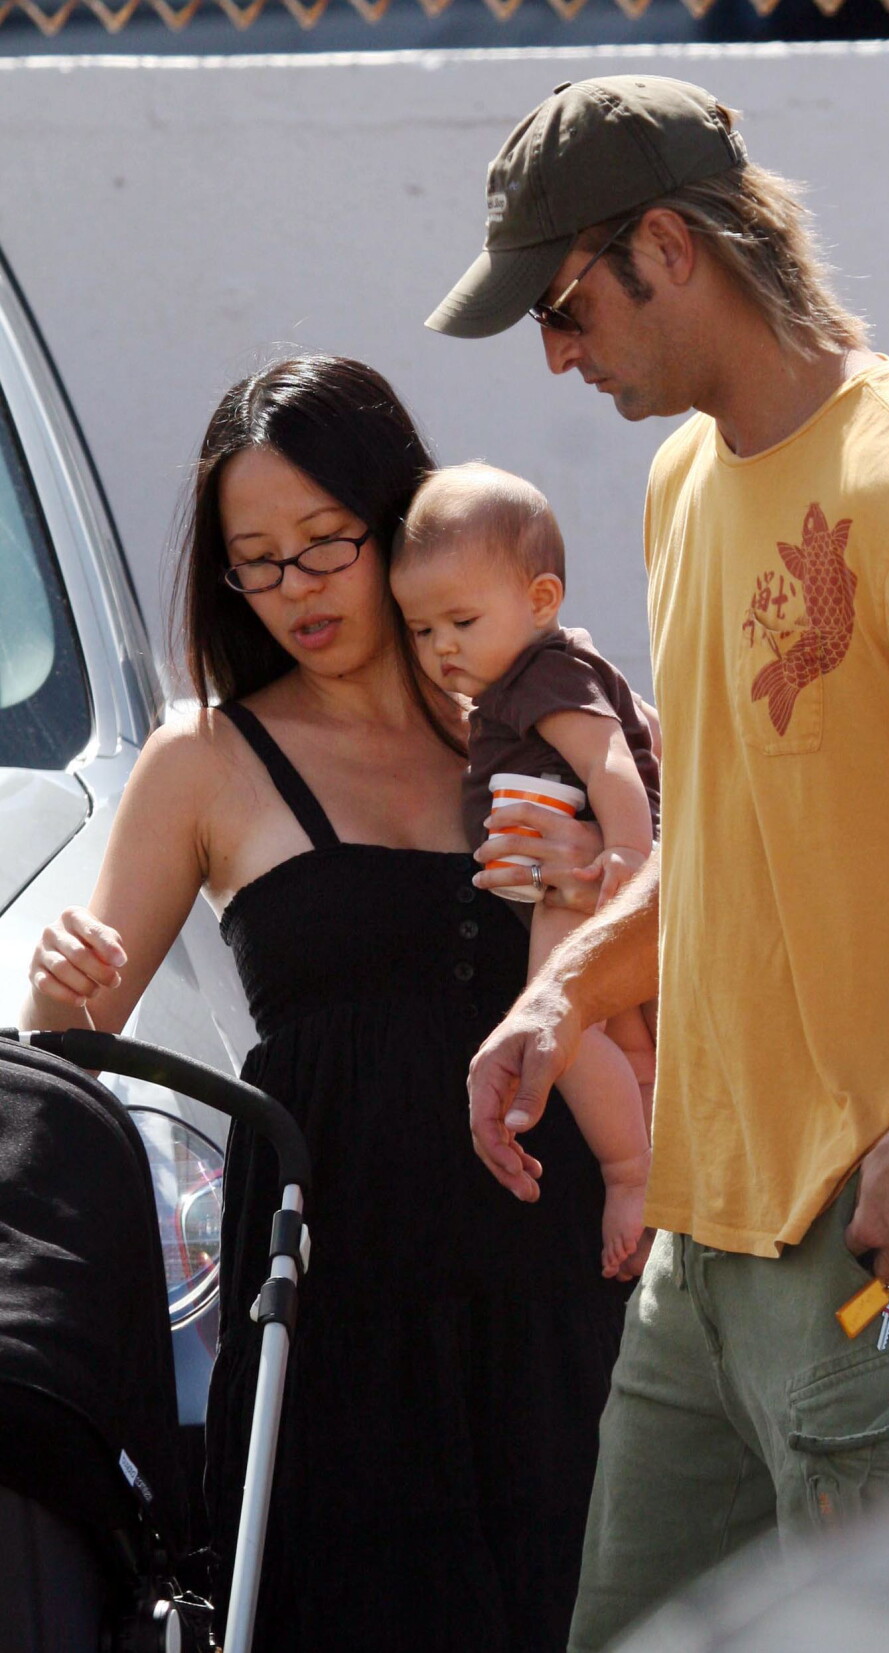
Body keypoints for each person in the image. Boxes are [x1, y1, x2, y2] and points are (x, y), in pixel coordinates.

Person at [425, 74, 889, 1648]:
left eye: (563, 307)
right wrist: (567, 991)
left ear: (666, 247)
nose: (557, 356)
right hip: (704, 1261)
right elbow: (732, 840)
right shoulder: (687, 480)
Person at [20, 355, 631, 1653]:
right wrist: (56, 988)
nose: (295, 586)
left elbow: (664, 954)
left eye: (324, 545)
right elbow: (70, 1057)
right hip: (340, 1282)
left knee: (593, 1594)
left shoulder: (534, 722)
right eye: (258, 562)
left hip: (555, 1257)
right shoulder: (204, 758)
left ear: (398, 520)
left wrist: (601, 879)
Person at [391, 462, 658, 1279]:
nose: (442, 647)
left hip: (577, 885)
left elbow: (610, 761)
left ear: (541, 600)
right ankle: (653, 1154)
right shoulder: (521, 680)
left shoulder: (545, 674)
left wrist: (627, 859)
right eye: (421, 629)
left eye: (462, 620)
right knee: (620, 1036)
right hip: (572, 880)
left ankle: (630, 1174)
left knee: (559, 1028)